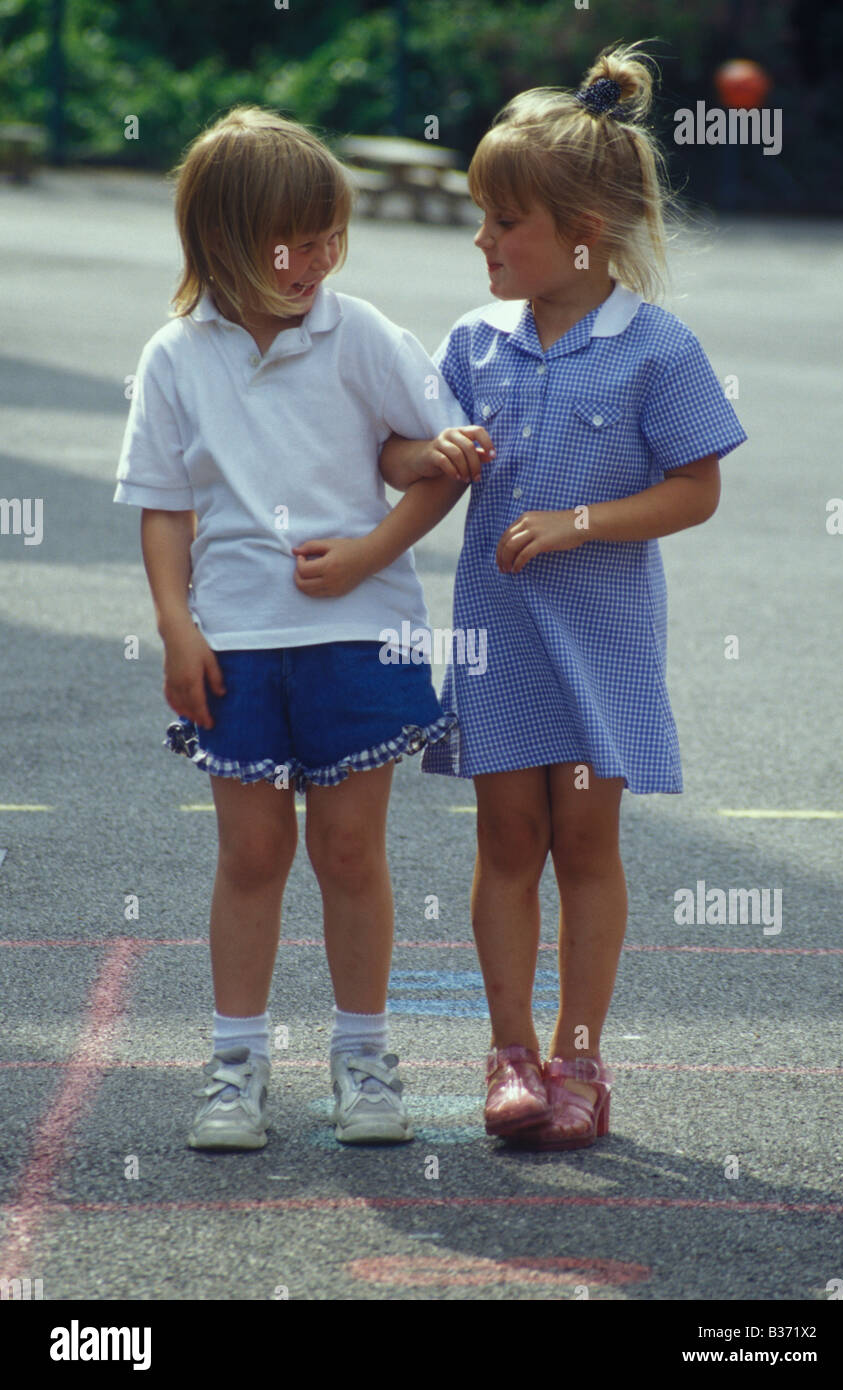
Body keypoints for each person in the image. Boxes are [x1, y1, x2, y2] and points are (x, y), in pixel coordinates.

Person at [378, 43, 748, 1149]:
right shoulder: (471, 342)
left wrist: (580, 523)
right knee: (505, 838)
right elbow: (420, 466)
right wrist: (412, 462)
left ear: (581, 232)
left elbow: (697, 489)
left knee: (587, 842)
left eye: (503, 222)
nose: (482, 242)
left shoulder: (655, 348)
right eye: (483, 218)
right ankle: (510, 1059)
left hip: (605, 639)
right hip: (499, 639)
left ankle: (581, 1059)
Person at [114, 106, 494, 1150]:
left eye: (331, 236)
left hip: (360, 635)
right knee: (249, 852)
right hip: (234, 639)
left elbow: (427, 457)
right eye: (295, 240)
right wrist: (175, 626)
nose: (317, 258)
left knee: (348, 850)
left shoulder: (361, 331)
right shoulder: (174, 356)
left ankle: (364, 1059)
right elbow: (161, 505)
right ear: (223, 239)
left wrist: (385, 534)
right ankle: (236, 1066)